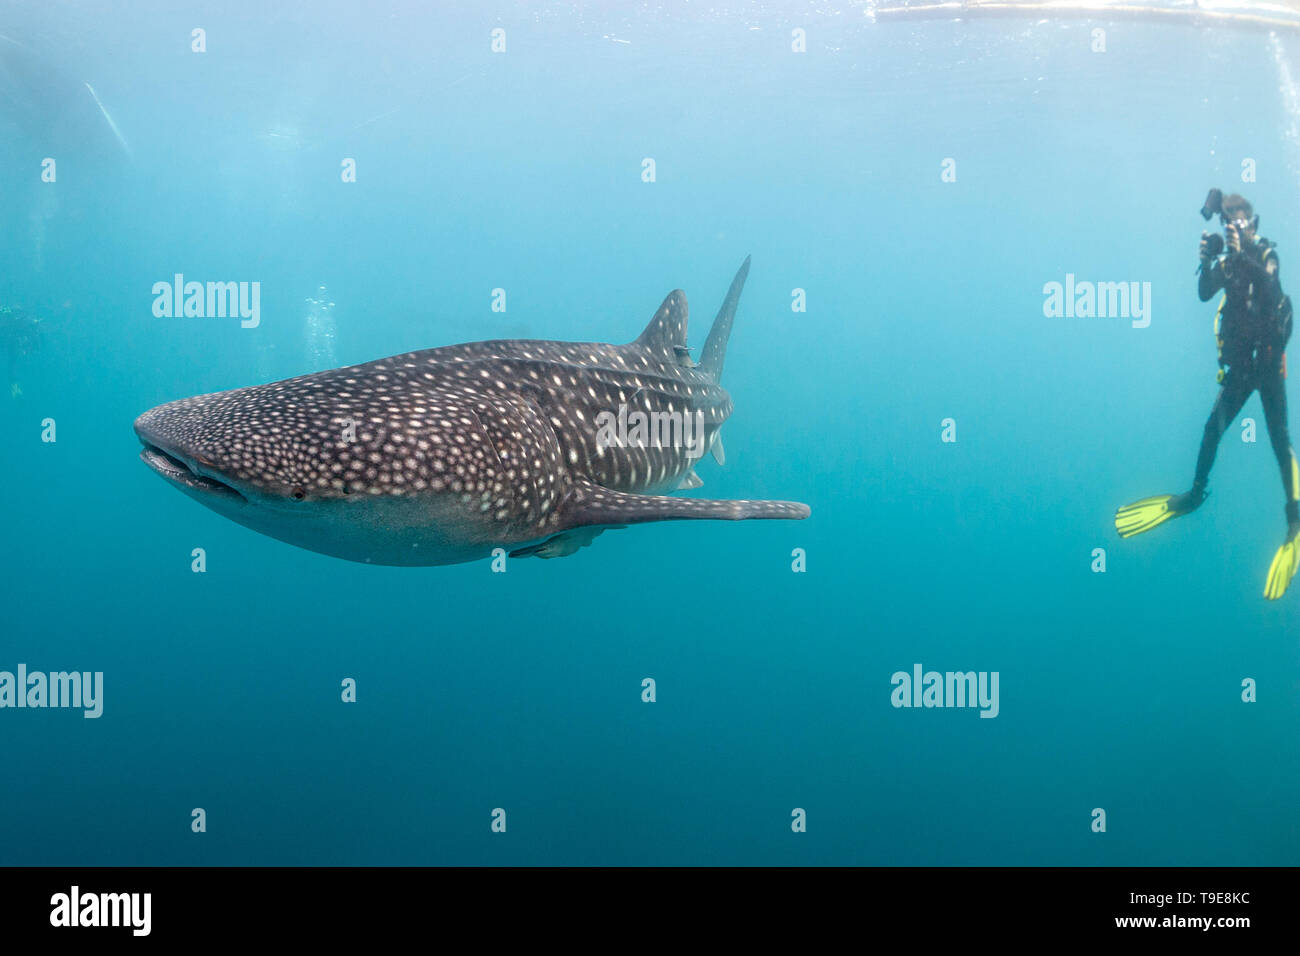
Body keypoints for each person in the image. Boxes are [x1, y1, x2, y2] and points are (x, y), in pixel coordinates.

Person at [1115, 193, 1300, 599]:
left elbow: (1270, 287)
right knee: (1211, 430)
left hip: (1268, 365)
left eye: (1241, 221)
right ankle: (1195, 494)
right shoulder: (1230, 262)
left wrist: (1242, 253)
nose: (1235, 227)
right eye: (1228, 223)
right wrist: (1206, 260)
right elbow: (1203, 293)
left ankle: (1295, 522)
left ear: (1253, 222)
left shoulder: (1266, 254)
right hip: (1241, 368)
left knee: (1278, 439)